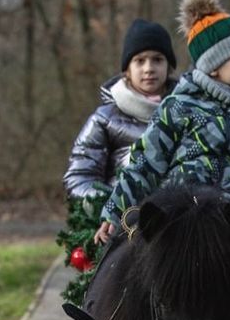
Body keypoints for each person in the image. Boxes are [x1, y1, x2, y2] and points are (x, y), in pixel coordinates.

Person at [94, 0, 230, 245]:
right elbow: (146, 164)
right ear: (214, 66)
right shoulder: (179, 107)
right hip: (184, 221)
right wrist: (116, 210)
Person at [63, 19, 177, 199]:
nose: (148, 69)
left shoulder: (188, 112)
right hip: (121, 221)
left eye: (157, 60)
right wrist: (111, 204)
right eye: (139, 61)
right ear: (127, 70)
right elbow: (80, 176)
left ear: (169, 66)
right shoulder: (105, 119)